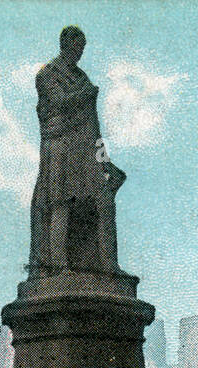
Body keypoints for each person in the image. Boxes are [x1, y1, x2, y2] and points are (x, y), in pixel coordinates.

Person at [29, 26, 125, 276]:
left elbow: (95, 125)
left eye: (82, 48)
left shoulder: (82, 78)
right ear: (64, 44)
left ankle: (109, 266)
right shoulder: (48, 74)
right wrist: (86, 94)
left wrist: (104, 161)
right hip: (59, 147)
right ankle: (59, 267)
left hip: (86, 149)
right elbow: (58, 102)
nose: (79, 52)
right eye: (76, 47)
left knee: (104, 201)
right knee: (61, 203)